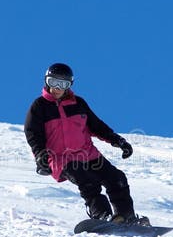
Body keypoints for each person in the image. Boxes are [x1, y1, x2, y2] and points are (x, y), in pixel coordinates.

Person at [24, 63, 149, 224]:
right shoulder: (39, 106)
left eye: (63, 84)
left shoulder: (79, 104)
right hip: (61, 159)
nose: (57, 88)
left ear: (70, 85)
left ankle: (126, 217)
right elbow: (33, 133)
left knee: (117, 178)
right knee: (88, 182)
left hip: (88, 154)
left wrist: (117, 140)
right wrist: (40, 155)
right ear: (46, 82)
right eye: (53, 82)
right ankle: (101, 216)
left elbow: (96, 126)